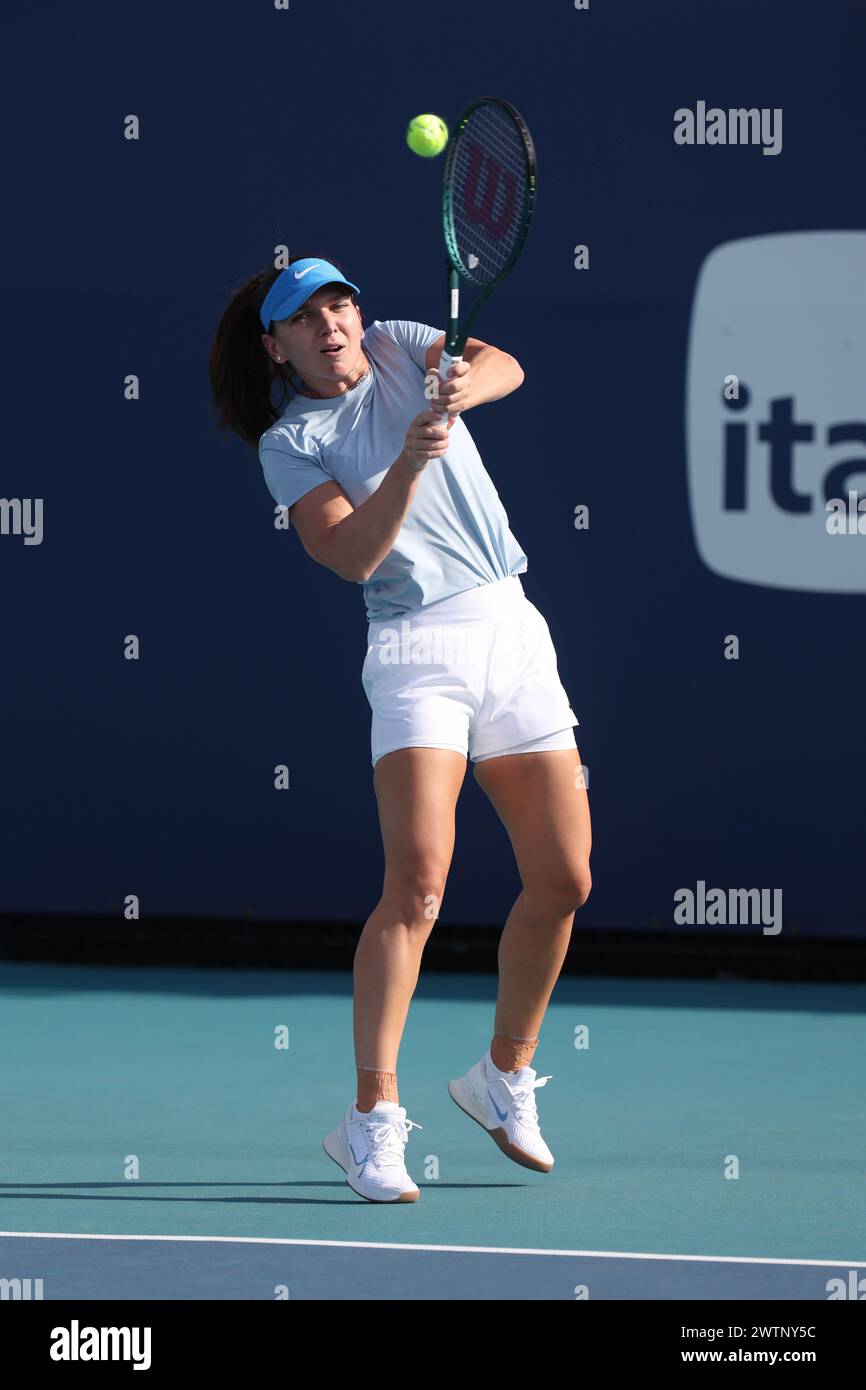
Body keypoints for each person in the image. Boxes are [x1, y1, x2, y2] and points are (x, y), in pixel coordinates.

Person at [209, 252, 592, 1204]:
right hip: (418, 650)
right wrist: (410, 467)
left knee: (565, 879)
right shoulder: (290, 442)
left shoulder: (401, 345)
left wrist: (466, 387)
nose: (331, 322)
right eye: (305, 317)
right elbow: (347, 552)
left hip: (513, 627)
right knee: (418, 887)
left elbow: (507, 364)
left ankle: (502, 1074)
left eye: (338, 302)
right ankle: (371, 1121)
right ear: (278, 346)